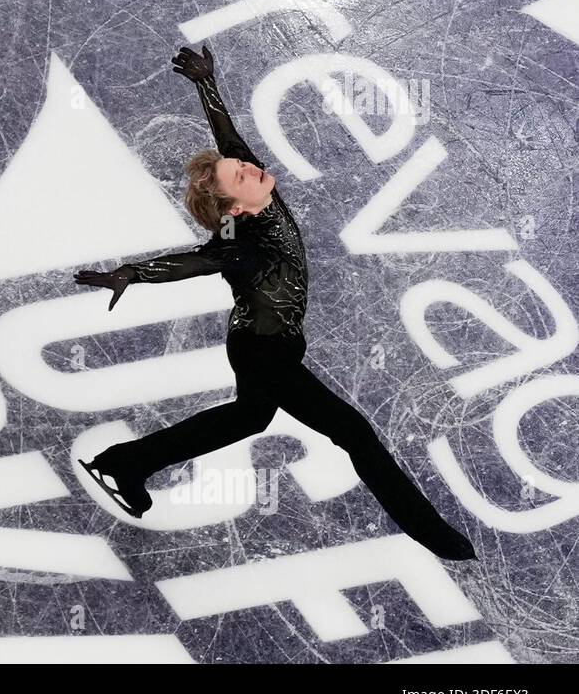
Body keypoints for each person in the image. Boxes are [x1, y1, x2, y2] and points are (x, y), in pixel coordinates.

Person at [72, 44, 477, 561]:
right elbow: (193, 262)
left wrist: (206, 84)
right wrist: (131, 272)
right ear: (236, 205)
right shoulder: (244, 245)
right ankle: (434, 535)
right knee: (353, 433)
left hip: (272, 344)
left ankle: (125, 462)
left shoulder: (263, 201)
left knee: (248, 418)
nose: (247, 166)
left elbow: (230, 142)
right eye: (239, 174)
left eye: (243, 166)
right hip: (263, 350)